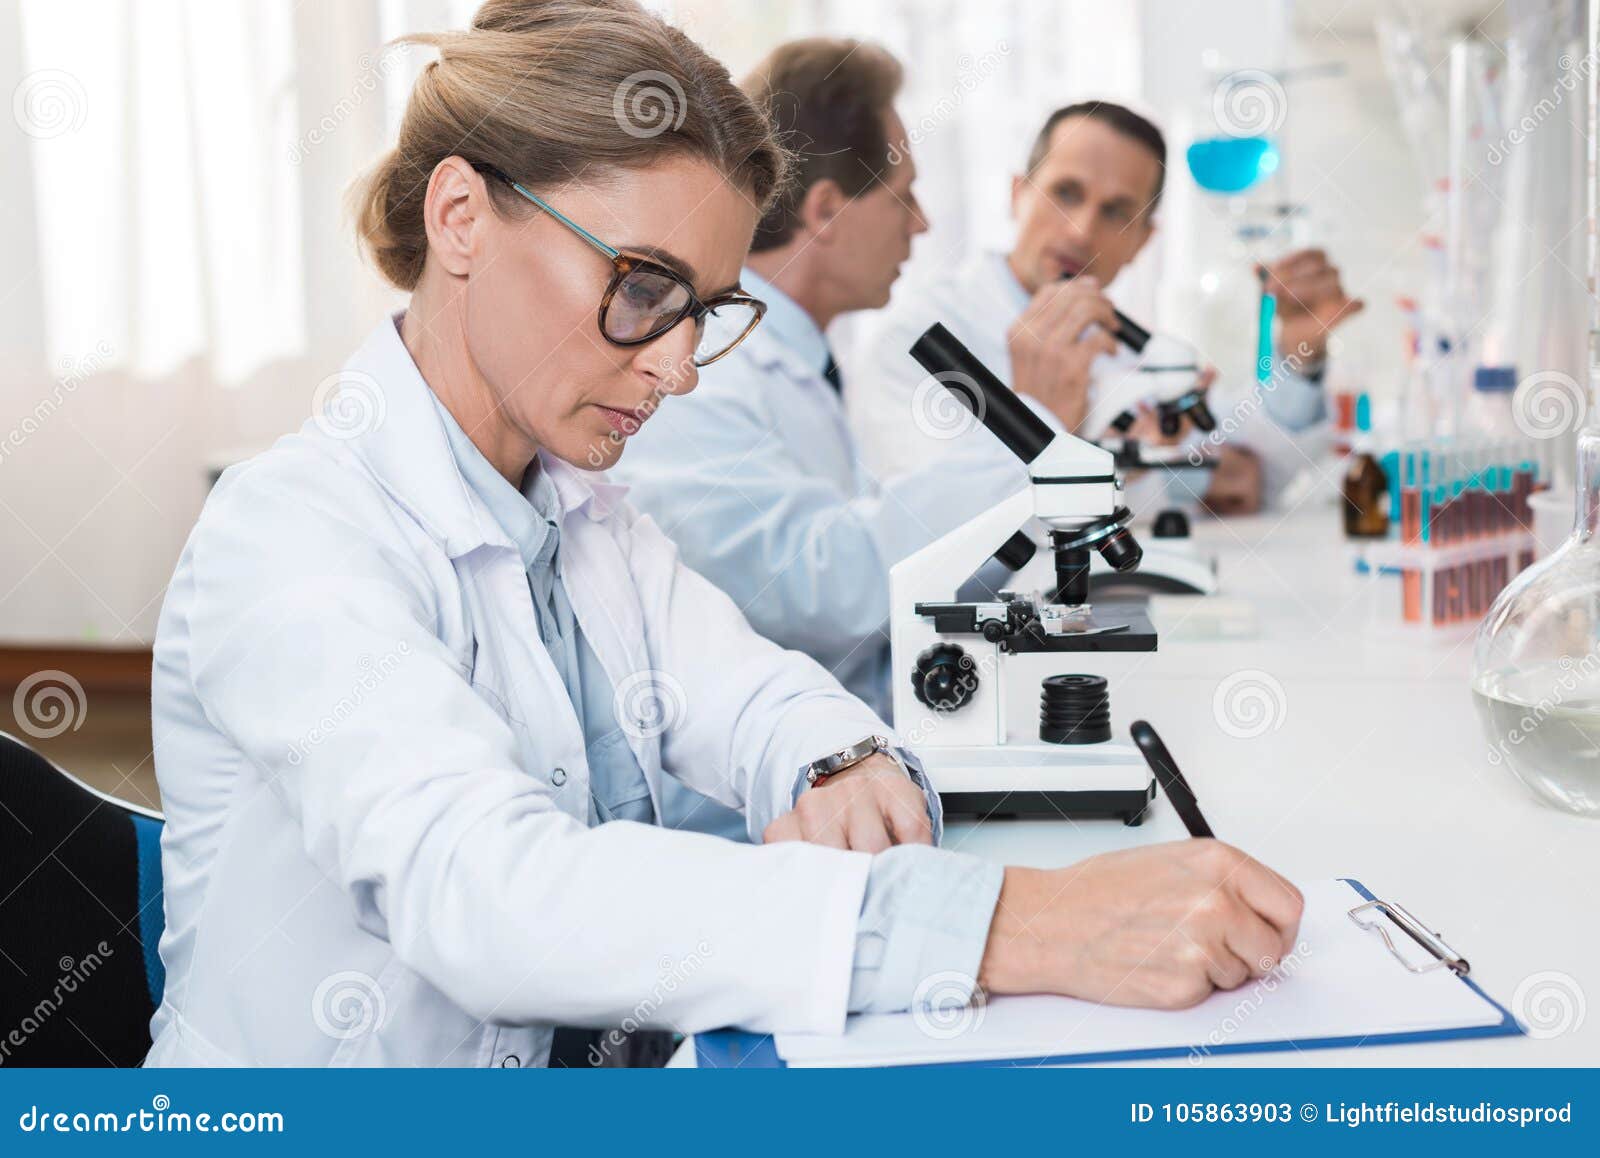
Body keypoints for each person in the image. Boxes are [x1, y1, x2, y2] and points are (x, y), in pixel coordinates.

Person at [145, 0, 1302, 1068]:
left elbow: (759, 693)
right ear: (460, 218)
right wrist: (1014, 924)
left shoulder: (582, 514)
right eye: (642, 289)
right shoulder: (291, 535)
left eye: (702, 310)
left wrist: (838, 759)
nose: (680, 367)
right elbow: (484, 894)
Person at [612, 42, 1034, 826]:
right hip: (746, 828)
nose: (921, 224)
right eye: (902, 195)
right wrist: (1026, 447)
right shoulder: (706, 366)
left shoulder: (805, 357)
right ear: (827, 209)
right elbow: (821, 585)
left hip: (851, 768)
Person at [850, 100, 1365, 516]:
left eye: (1117, 212)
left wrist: (1299, 354)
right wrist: (1144, 470)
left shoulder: (1128, 347)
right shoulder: (915, 343)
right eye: (1065, 193)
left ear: (1143, 241)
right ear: (1017, 195)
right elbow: (947, 524)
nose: (1081, 232)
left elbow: (1256, 476)